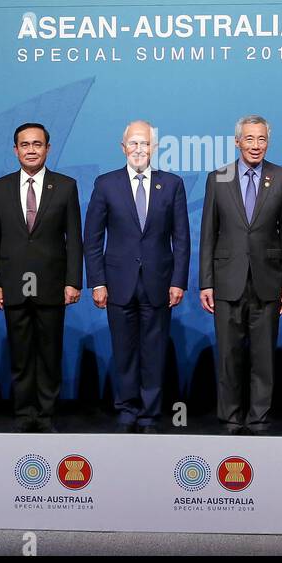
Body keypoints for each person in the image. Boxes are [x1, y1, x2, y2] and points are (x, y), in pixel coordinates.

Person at [84, 120, 189, 434]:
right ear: (123, 147)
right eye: (133, 143)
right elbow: (92, 238)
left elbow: (181, 239)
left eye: (145, 144)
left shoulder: (171, 184)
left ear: (154, 148)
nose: (139, 149)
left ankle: (149, 414)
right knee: (124, 350)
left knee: (154, 352)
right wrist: (98, 281)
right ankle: (127, 410)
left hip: (159, 281)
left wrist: (178, 281)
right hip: (118, 283)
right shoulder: (106, 184)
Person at [199, 115, 282, 435]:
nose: (256, 146)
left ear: (268, 142)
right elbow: (208, 234)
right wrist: (206, 282)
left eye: (262, 140)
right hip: (227, 280)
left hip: (268, 280)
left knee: (263, 356)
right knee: (228, 355)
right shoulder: (218, 178)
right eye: (249, 139)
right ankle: (230, 417)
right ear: (237, 141)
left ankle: (258, 418)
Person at [0, 123, 83, 434]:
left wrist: (73, 281)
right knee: (21, 352)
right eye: (24, 144)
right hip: (13, 282)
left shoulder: (65, 186)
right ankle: (24, 412)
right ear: (15, 150)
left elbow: (74, 240)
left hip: (52, 282)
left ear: (47, 149)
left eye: (37, 144)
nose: (30, 149)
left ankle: (46, 413)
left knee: (49, 351)